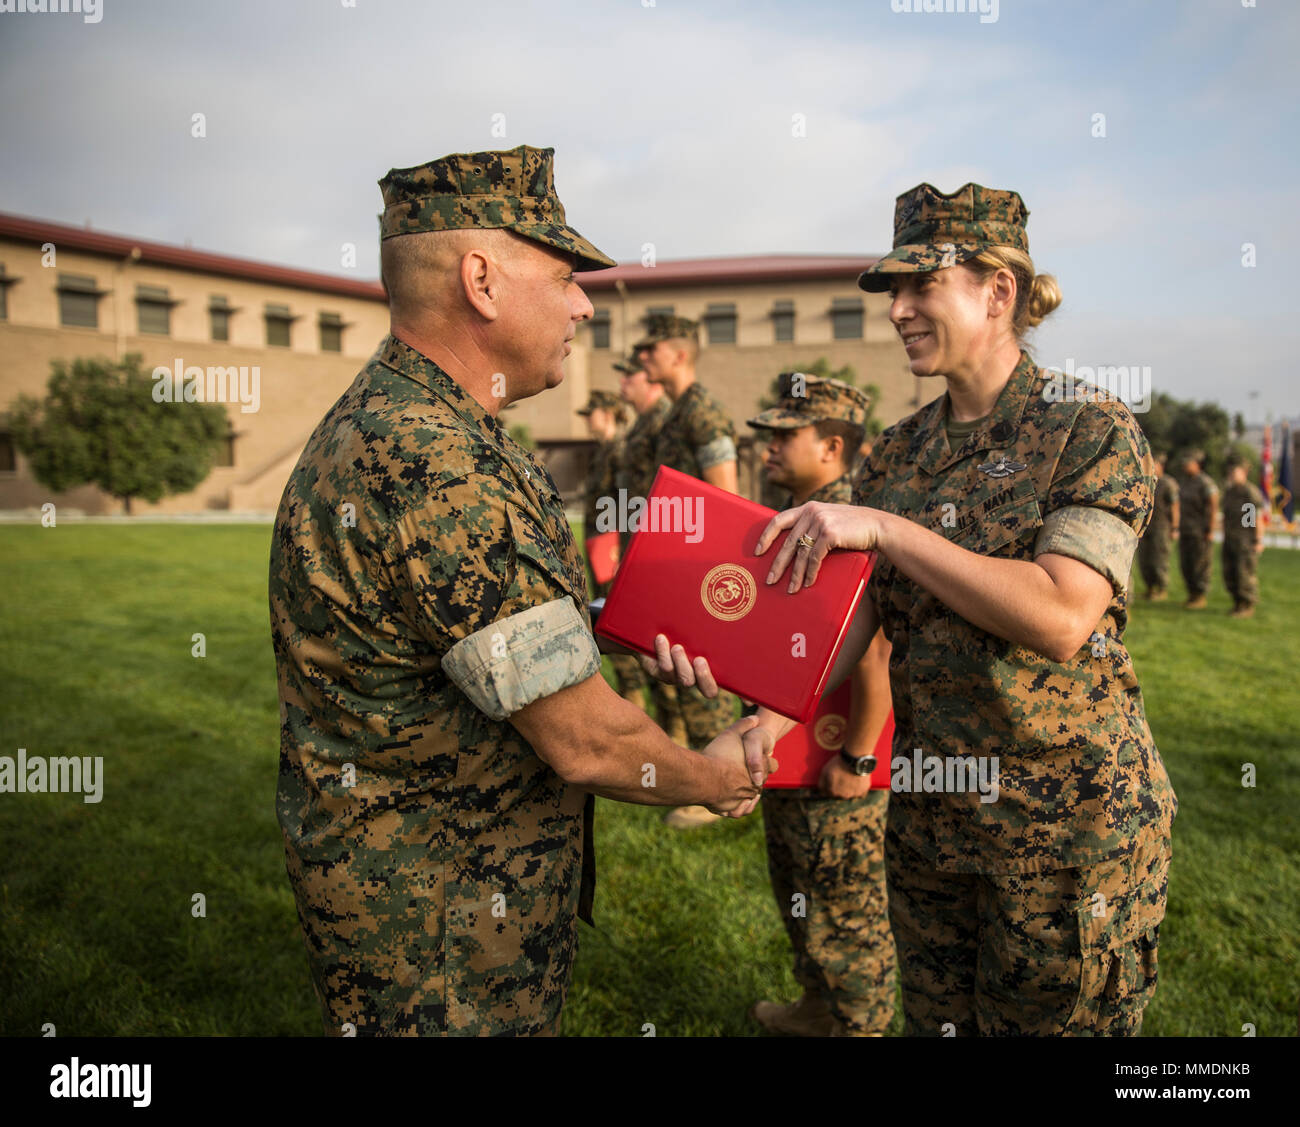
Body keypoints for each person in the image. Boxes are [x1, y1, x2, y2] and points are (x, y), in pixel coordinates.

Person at [647, 182, 1177, 1036]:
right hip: (931, 827)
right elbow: (859, 620)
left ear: (998, 291)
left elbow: (1060, 616)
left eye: (919, 285)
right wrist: (768, 721)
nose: (896, 310)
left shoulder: (1090, 428)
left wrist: (889, 529)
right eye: (890, 291)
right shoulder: (900, 450)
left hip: (1066, 835)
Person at [268, 145, 773, 1038]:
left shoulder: (423, 426)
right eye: (566, 273)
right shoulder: (437, 465)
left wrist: (620, 632)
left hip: (431, 898)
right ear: (482, 281)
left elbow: (477, 633)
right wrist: (716, 775)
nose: (583, 301)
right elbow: (582, 738)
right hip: (441, 926)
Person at [745, 374, 897, 1037]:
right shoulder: (804, 515)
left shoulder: (847, 523)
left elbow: (875, 654)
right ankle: (817, 1005)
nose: (768, 447)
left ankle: (856, 1023)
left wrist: (858, 756)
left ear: (833, 446)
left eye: (785, 435)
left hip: (836, 753)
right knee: (801, 887)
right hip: (796, 748)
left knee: (844, 905)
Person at [636, 313, 742, 828]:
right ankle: (700, 778)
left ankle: (723, 787)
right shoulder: (676, 413)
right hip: (678, 569)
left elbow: (728, 496)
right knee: (678, 671)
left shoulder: (703, 413)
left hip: (705, 571)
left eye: (651, 349)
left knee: (709, 685)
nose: (642, 358)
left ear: (679, 355)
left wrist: (712, 573)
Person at [613, 353, 688, 744]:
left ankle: (681, 732)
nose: (623, 382)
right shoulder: (642, 423)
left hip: (662, 548)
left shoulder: (662, 420)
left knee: (669, 644)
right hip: (639, 544)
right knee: (644, 639)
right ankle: (665, 727)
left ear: (651, 382)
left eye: (631, 375)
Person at [576, 388, 645, 707]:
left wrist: (618, 549)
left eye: (590, 413)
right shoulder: (605, 450)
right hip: (599, 541)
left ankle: (633, 695)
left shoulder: (620, 450)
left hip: (611, 544)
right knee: (604, 614)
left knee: (613, 617)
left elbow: (626, 503)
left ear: (606, 413)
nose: (587, 420)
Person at [1220, 452, 1265, 618]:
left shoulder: (1248, 493)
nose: (1231, 474)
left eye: (1235, 471)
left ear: (1244, 472)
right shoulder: (1230, 491)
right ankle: (1238, 603)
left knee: (1244, 573)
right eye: (1230, 472)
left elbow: (1255, 519)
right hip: (1230, 539)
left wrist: (1257, 540)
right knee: (1230, 573)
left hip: (1245, 540)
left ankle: (1247, 604)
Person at [1177, 450, 1218, 609]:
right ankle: (1192, 594)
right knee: (1186, 564)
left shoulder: (1205, 483)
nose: (1185, 465)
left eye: (1189, 462)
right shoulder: (1185, 481)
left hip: (1200, 531)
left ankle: (1200, 595)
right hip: (1186, 529)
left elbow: (1213, 507)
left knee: (1200, 564)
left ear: (1197, 464)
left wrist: (1210, 529)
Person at [1136, 451, 1179, 600]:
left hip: (1162, 527)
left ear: (1161, 465)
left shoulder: (1168, 483)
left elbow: (1174, 506)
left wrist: (1174, 527)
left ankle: (1162, 589)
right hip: (1146, 526)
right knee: (1145, 559)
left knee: (1159, 558)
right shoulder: (1146, 481)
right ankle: (1150, 588)